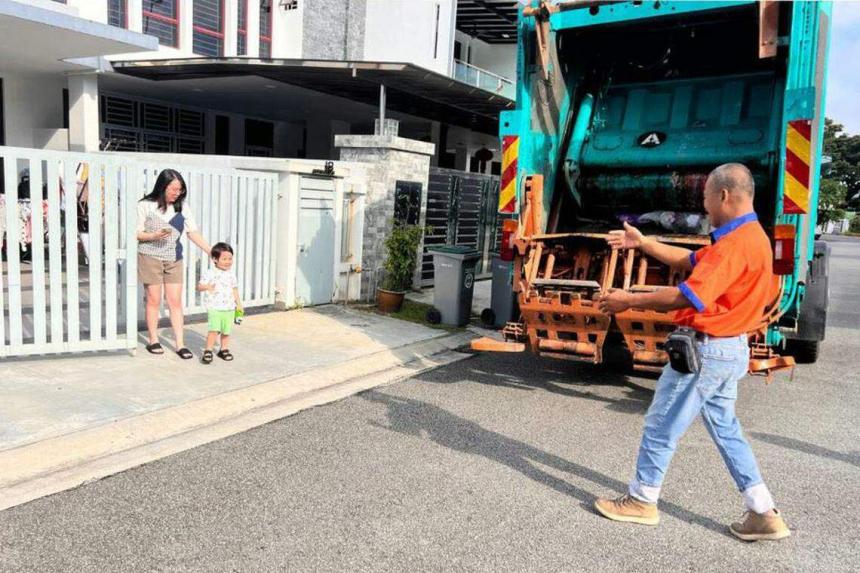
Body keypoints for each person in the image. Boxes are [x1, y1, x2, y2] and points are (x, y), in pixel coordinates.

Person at [593, 163, 789, 542]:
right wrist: (645, 242)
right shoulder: (752, 238)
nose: (704, 205)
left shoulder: (734, 246)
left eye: (704, 198)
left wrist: (626, 300)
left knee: (661, 424)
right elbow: (687, 261)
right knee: (727, 431)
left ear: (724, 196)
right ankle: (763, 512)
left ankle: (642, 500)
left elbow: (686, 296)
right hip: (729, 350)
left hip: (708, 352)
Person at [137, 169, 211, 359]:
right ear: (162, 187)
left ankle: (180, 344)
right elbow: (136, 233)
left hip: (174, 258)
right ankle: (153, 339)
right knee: (153, 299)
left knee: (175, 301)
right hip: (149, 257)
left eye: (180, 190)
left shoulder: (182, 207)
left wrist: (211, 251)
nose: (177, 193)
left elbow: (192, 232)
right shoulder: (145, 205)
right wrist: (153, 235)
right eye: (173, 189)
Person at [197, 242, 243, 364]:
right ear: (215, 259)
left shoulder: (231, 274)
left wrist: (239, 304)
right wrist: (207, 286)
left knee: (226, 331)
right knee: (214, 329)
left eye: (230, 258)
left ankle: (224, 349)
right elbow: (199, 287)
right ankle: (208, 350)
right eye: (224, 259)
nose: (228, 261)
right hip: (214, 307)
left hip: (229, 308)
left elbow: (234, 289)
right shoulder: (210, 273)